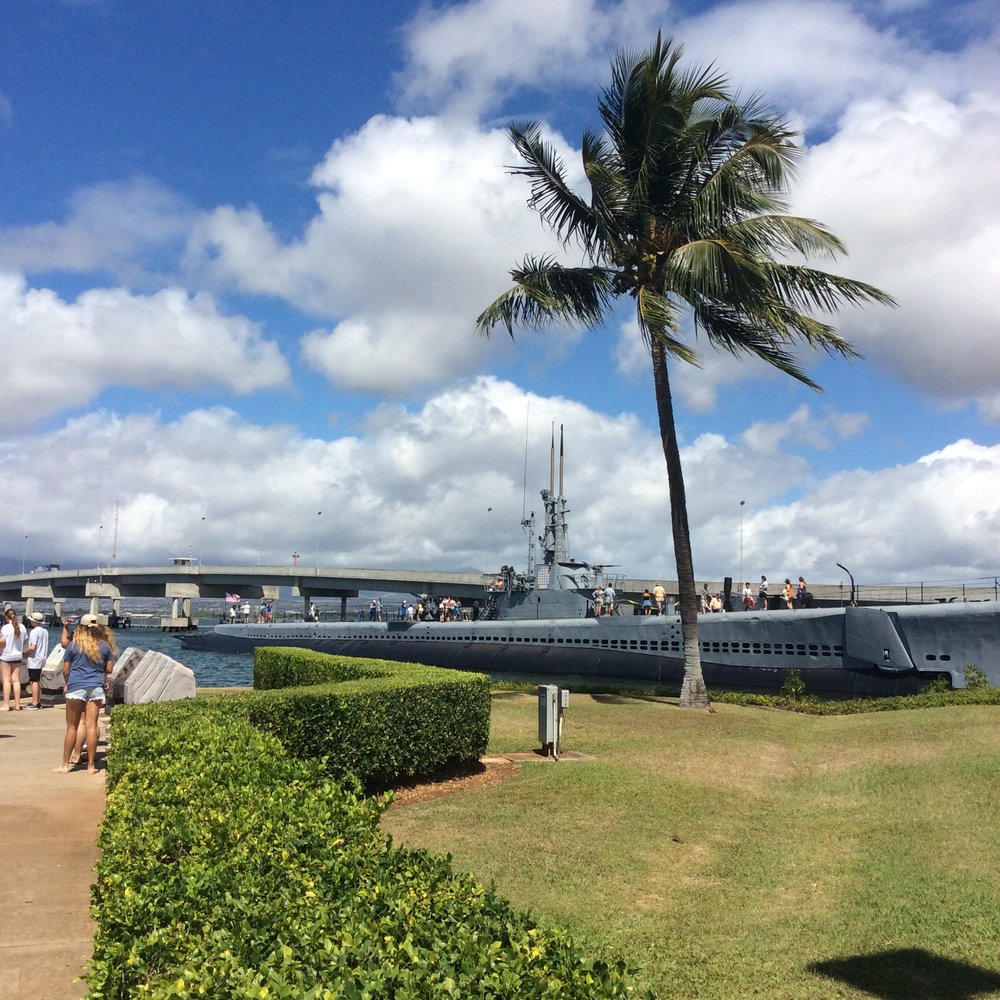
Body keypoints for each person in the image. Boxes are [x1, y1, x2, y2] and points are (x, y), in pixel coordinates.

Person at [53, 614, 116, 775]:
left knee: (72, 727)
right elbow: (109, 669)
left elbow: (66, 670)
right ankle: (91, 766)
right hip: (96, 687)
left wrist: (69, 682)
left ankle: (65, 765)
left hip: (76, 686)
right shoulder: (104, 646)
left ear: (81, 627)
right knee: (92, 726)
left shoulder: (73, 646)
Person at [1, 607, 28, 711]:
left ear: (7, 617)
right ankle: (17, 705)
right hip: (17, 656)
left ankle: (6, 704)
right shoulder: (23, 627)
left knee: (6, 681)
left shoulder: (5, 628)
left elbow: (2, 642)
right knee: (16, 680)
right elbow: (25, 642)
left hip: (6, 656)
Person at [24, 611, 49, 710]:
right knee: (37, 680)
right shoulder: (45, 631)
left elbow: (32, 647)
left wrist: (25, 654)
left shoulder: (34, 632)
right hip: (42, 657)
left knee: (33, 680)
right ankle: (38, 701)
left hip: (35, 658)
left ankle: (34, 702)